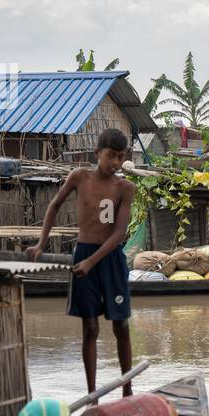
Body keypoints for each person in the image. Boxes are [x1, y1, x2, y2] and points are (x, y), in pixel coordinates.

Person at [26, 128, 136, 396]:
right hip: (84, 252)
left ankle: (128, 391)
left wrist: (92, 262)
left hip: (110, 259)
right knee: (90, 327)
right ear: (97, 153)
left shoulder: (125, 188)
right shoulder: (79, 177)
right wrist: (41, 243)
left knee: (120, 324)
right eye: (110, 156)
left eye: (120, 157)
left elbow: (119, 233)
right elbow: (53, 206)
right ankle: (92, 396)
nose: (115, 163)